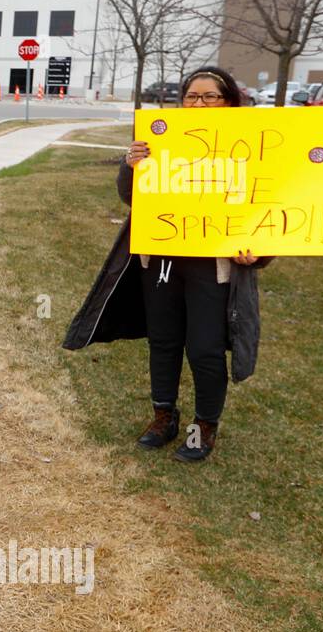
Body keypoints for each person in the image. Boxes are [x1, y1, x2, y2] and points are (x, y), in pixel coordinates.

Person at [63, 65, 273, 462]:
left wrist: (258, 252)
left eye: (210, 96)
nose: (199, 103)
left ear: (228, 102)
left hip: (214, 263)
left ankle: (204, 426)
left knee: (206, 348)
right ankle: (164, 416)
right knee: (163, 340)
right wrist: (131, 163)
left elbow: (270, 203)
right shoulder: (163, 137)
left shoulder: (251, 145)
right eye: (192, 96)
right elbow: (132, 197)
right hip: (160, 256)